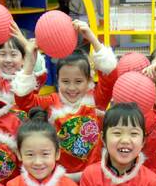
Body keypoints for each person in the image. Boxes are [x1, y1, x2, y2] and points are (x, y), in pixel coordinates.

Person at [11, 21, 115, 175]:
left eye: (78, 81)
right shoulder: (52, 102)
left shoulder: (95, 98)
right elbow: (23, 101)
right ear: (57, 80)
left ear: (89, 81)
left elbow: (111, 75)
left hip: (94, 174)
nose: (72, 88)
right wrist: (29, 63)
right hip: (61, 176)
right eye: (65, 82)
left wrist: (92, 38)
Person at [74, 103, 156, 186]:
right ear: (103, 139)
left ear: (143, 141)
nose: (125, 140)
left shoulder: (152, 182)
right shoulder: (91, 175)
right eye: (117, 133)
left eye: (133, 134)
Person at [4, 110, 80, 186]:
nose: (38, 162)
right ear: (19, 155)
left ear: (57, 153)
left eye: (45, 154)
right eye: (30, 155)